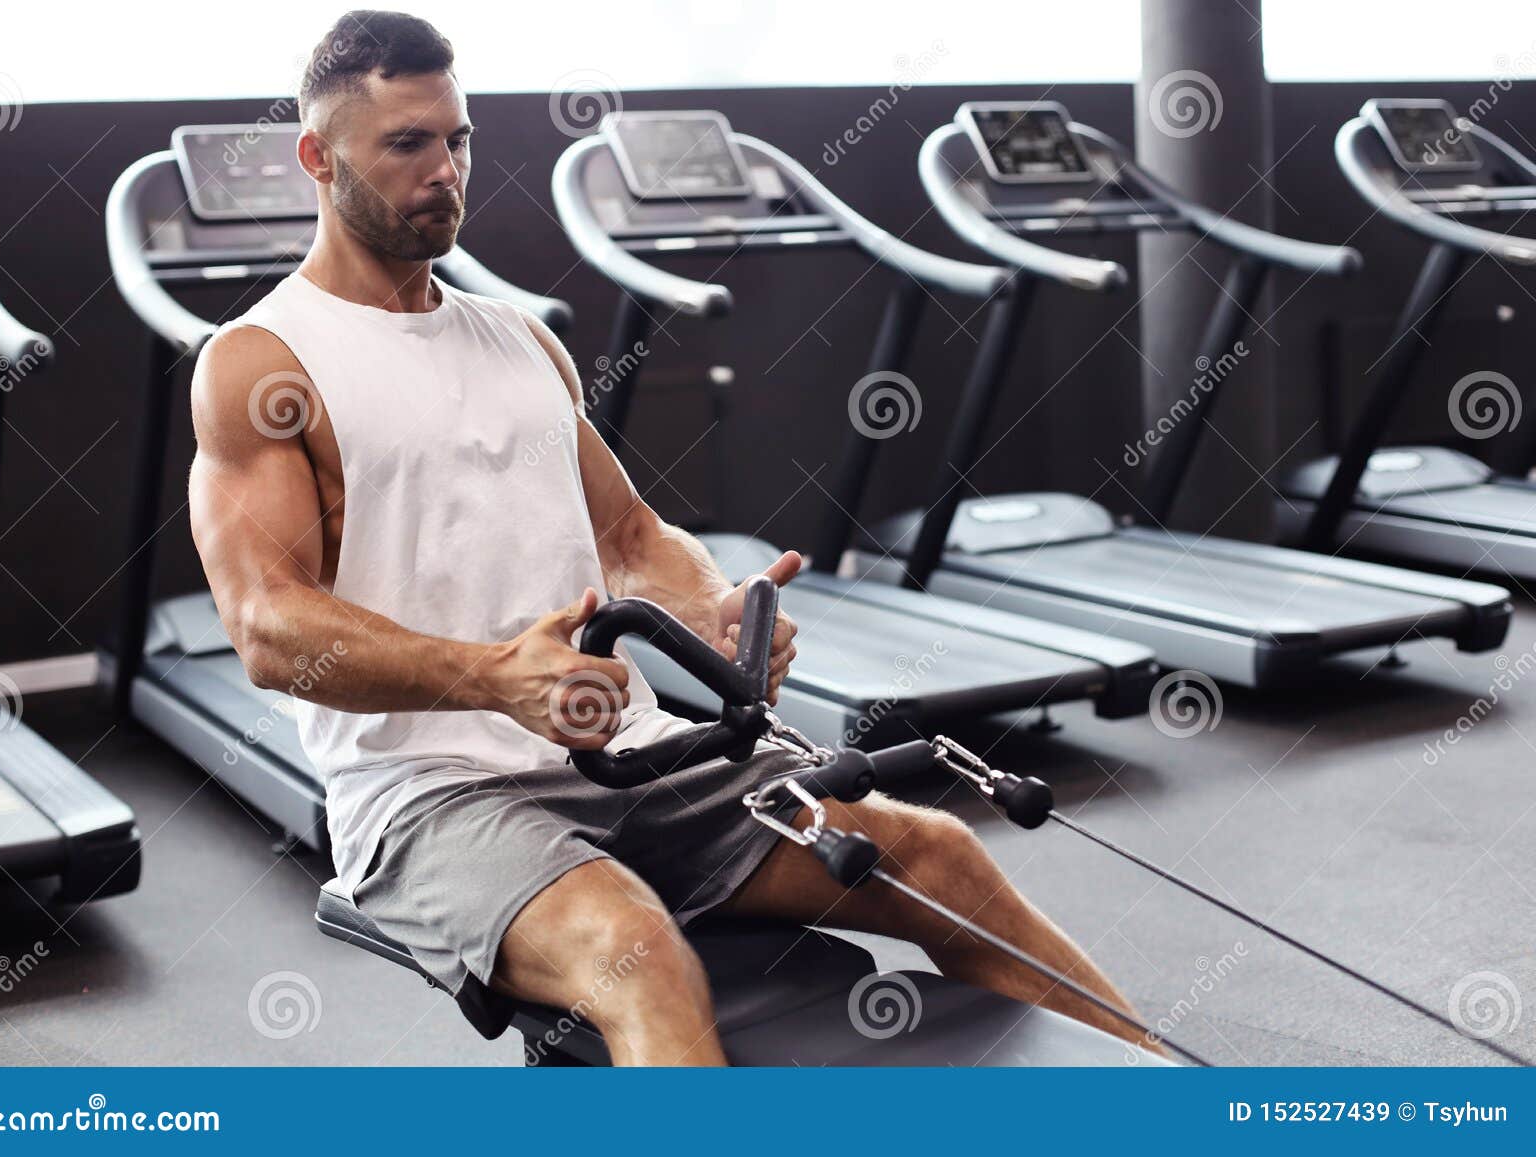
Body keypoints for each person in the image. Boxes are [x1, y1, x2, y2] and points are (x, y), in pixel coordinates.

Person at [190, 9, 1155, 1065]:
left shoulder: (517, 339)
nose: (444, 170)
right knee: (636, 950)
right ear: (319, 158)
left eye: (457, 139)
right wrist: (492, 677)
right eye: (406, 144)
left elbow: (628, 530)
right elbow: (267, 626)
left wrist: (709, 609)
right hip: (431, 794)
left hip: (633, 753)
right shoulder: (261, 362)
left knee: (936, 852)